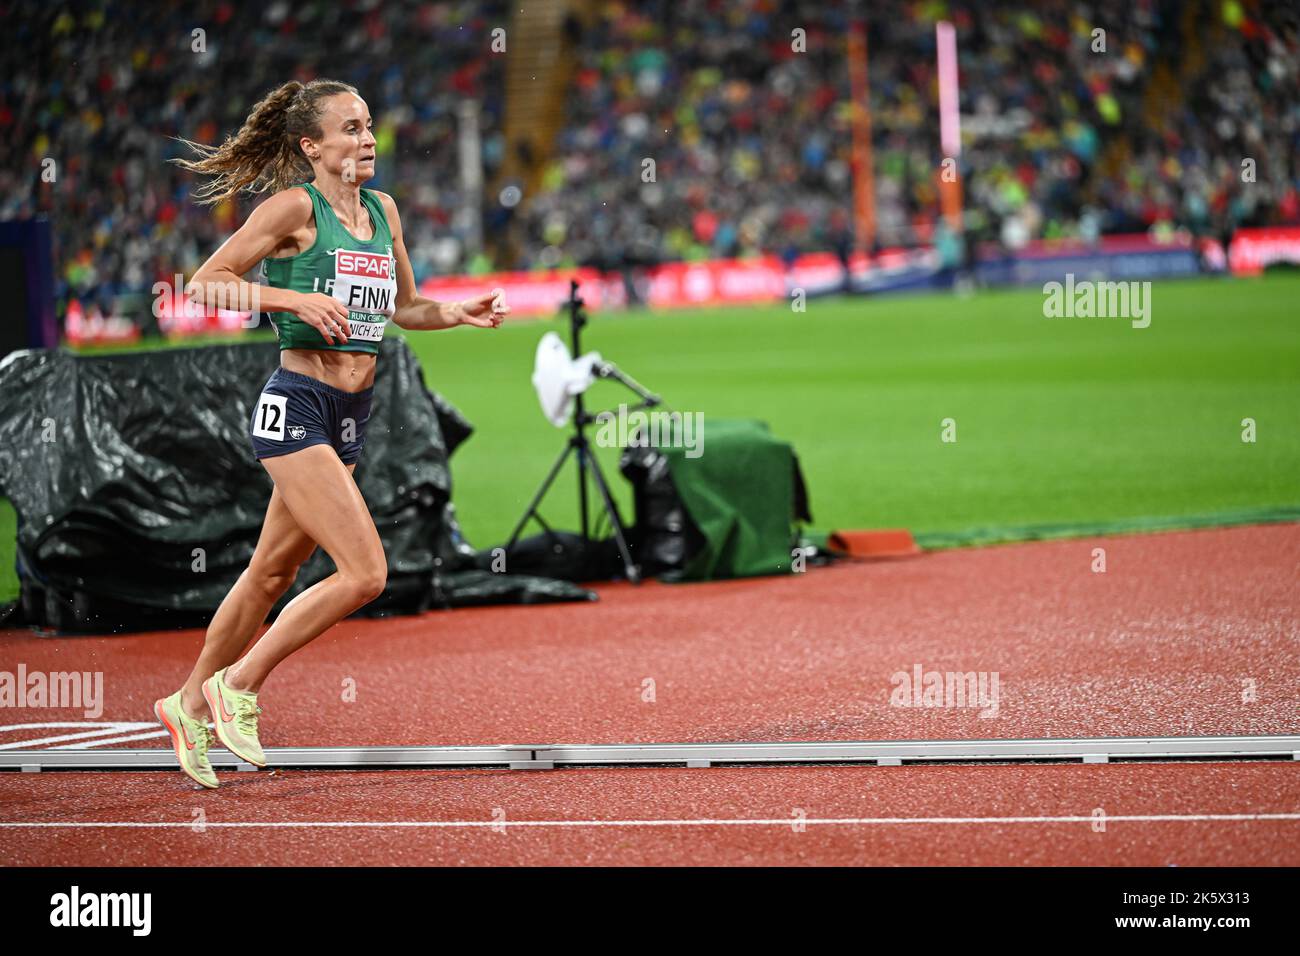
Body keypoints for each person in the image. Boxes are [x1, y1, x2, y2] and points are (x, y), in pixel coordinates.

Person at [152, 78, 509, 788]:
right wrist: (292, 298)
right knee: (366, 573)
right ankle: (241, 684)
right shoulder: (295, 209)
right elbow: (205, 284)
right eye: (349, 128)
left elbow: (405, 308)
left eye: (369, 125)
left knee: (271, 574)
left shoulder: (383, 212)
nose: (366, 138)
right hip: (296, 406)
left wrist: (456, 313)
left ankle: (187, 700)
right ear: (312, 148)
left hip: (350, 418)